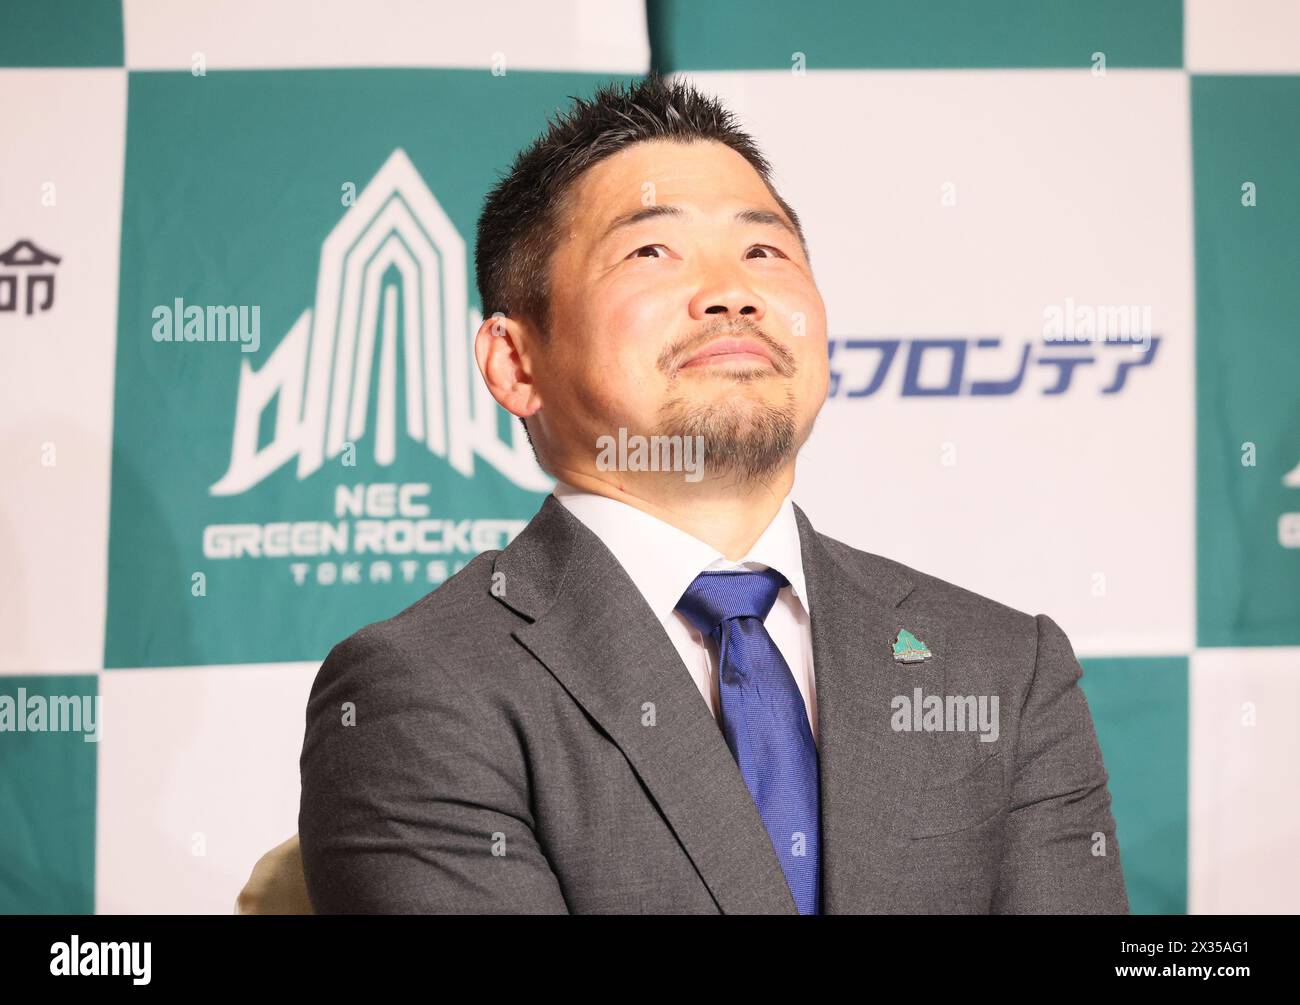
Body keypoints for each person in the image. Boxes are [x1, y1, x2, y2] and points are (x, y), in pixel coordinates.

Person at [285, 74, 1128, 914]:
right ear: (516, 362)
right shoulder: (425, 689)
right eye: (651, 251)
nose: (734, 292)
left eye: (764, 251)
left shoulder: (1003, 667)